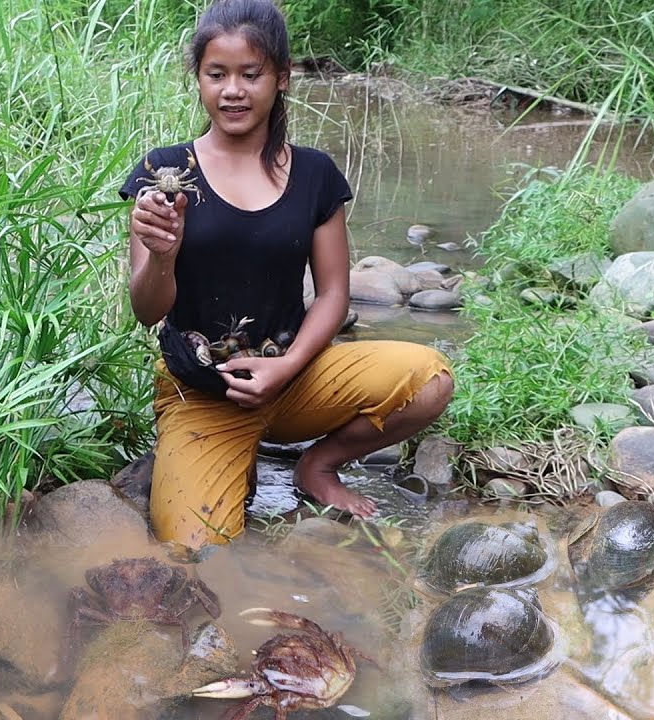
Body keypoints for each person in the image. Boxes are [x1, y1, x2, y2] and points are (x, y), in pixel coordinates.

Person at [120, 0, 454, 551]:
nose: (233, 91)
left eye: (251, 74)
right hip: (204, 395)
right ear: (198, 78)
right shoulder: (165, 173)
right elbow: (147, 310)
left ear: (282, 77)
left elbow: (334, 293)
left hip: (299, 380)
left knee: (429, 378)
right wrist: (161, 255)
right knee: (198, 553)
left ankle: (317, 465)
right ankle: (233, 457)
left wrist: (288, 365)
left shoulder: (315, 174)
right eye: (217, 74)